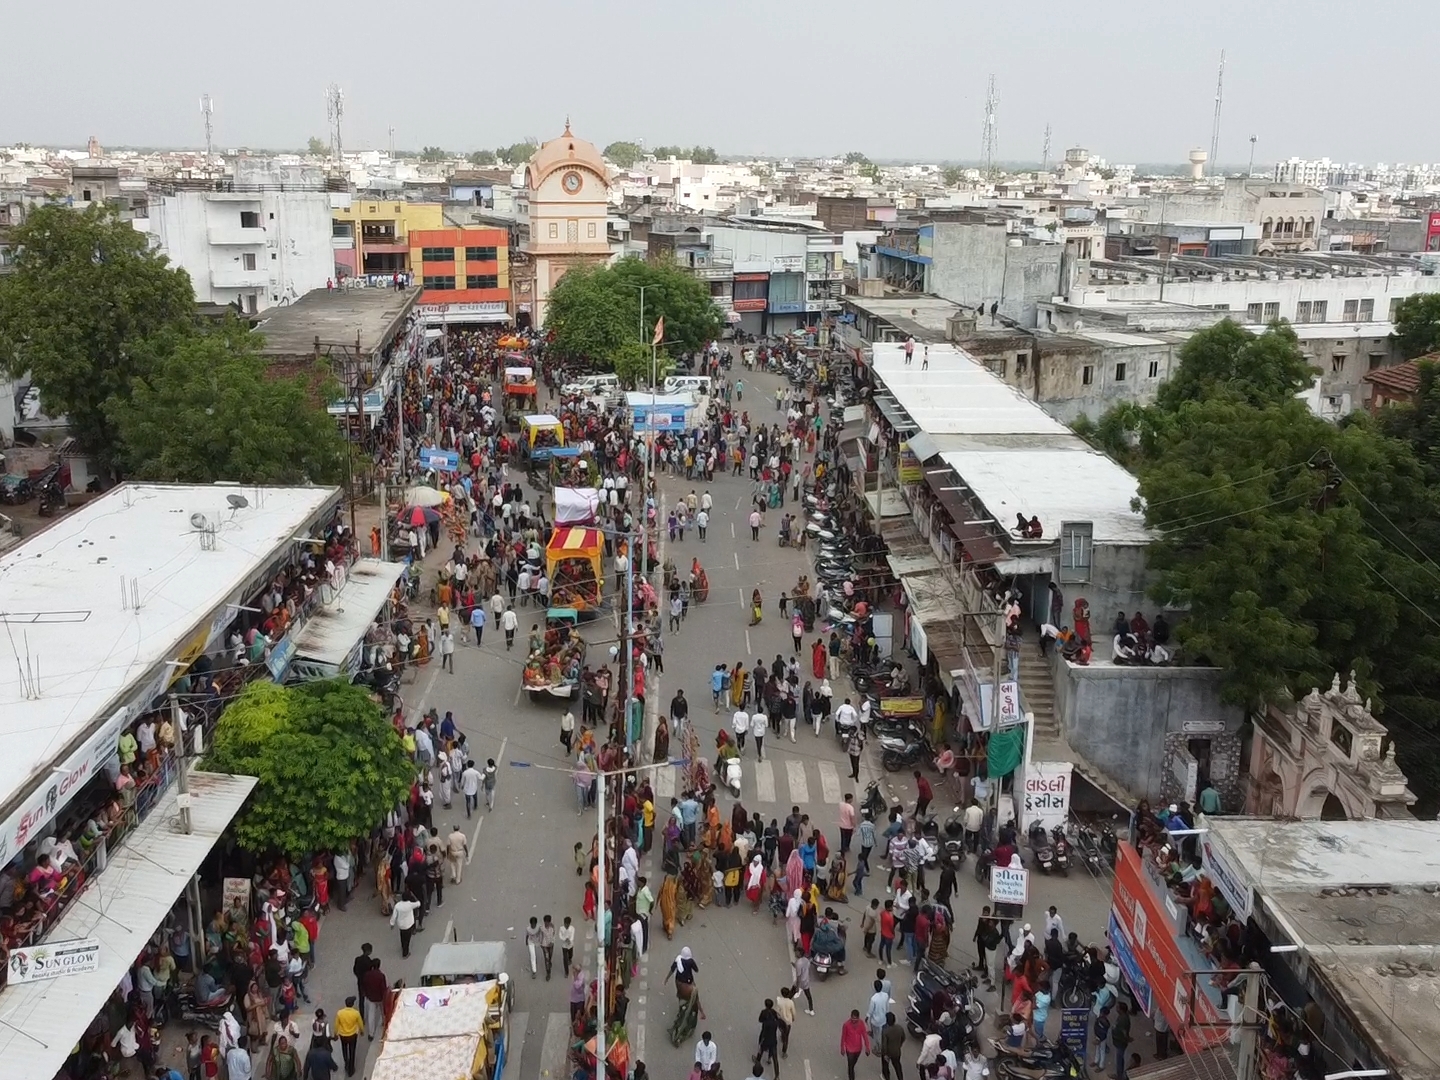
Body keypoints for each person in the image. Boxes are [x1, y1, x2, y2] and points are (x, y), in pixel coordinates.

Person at [333, 998, 363, 1077]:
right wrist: (362, 1031)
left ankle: (346, 1063)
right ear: (352, 1004)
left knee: (344, 1049)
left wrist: (335, 1033)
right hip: (352, 1035)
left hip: (343, 1035)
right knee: (352, 1051)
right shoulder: (356, 1013)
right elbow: (360, 1023)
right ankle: (351, 1069)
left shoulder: (340, 1013)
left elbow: (336, 1025)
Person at [840, 1009, 871, 1080]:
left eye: (855, 1019)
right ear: (850, 1017)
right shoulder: (846, 1025)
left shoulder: (861, 1023)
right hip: (849, 1048)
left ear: (858, 1018)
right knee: (850, 1065)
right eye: (852, 1018)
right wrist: (842, 1048)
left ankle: (851, 1070)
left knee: (853, 1063)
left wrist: (867, 1047)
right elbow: (843, 1037)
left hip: (858, 1048)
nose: (854, 1020)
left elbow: (865, 1035)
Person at [757, 998, 782, 1077]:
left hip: (766, 1037)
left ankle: (757, 1062)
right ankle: (777, 1075)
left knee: (761, 1049)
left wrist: (761, 1039)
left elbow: (760, 1020)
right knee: (775, 1058)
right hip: (773, 1039)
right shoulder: (774, 1014)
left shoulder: (764, 1014)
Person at [878, 1012, 905, 1080]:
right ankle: (900, 1078)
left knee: (885, 1065)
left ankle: (887, 1077)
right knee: (897, 1066)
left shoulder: (885, 1031)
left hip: (888, 1052)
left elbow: (884, 1045)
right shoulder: (899, 1028)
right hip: (897, 1052)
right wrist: (899, 1044)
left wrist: (884, 1054)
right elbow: (903, 1038)